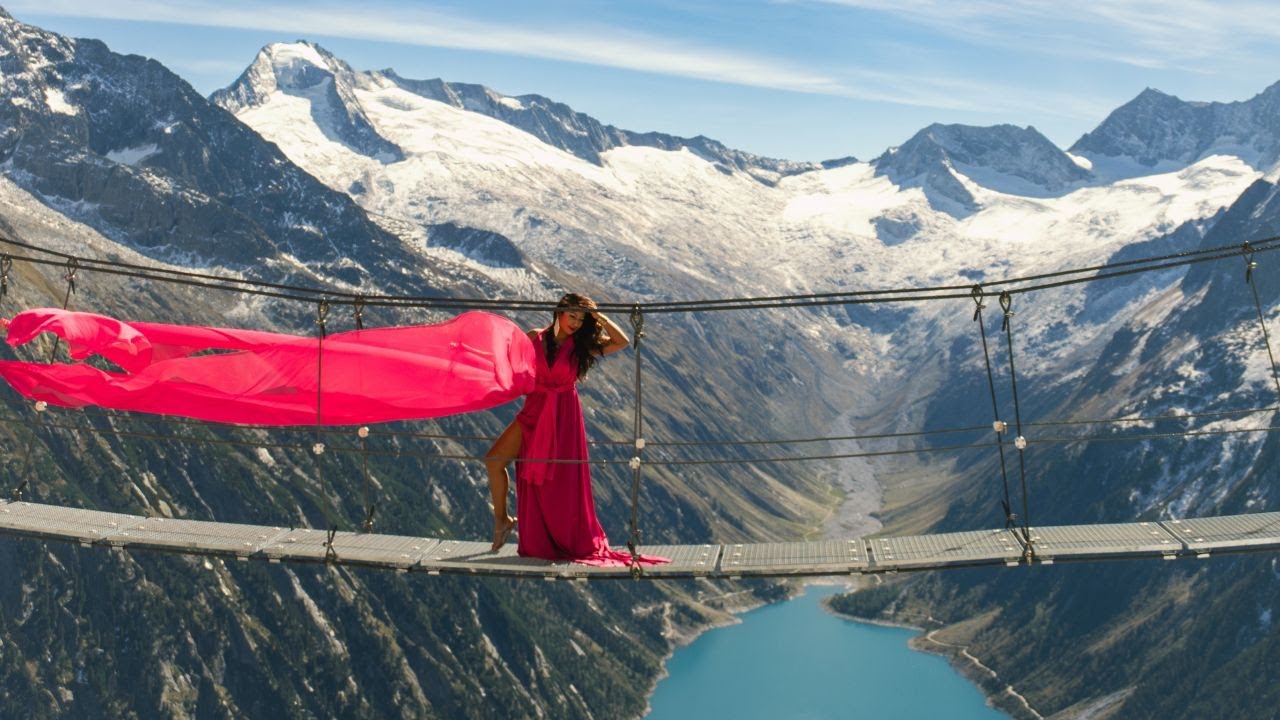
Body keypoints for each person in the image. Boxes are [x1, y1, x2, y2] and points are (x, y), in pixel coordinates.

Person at [485, 293, 663, 566]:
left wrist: (599, 318)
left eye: (582, 319)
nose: (576, 323)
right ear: (560, 312)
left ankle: (558, 536)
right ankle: (502, 521)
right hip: (534, 410)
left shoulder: (582, 345)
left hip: (564, 416)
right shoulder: (534, 337)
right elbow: (508, 362)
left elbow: (622, 342)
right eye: (573, 316)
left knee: (559, 481)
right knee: (494, 460)